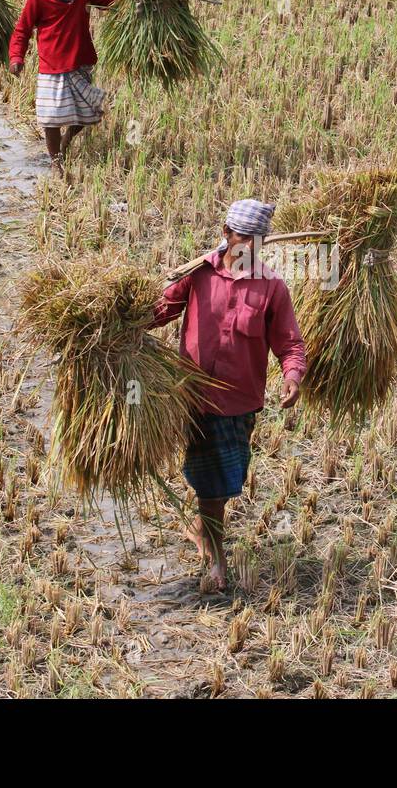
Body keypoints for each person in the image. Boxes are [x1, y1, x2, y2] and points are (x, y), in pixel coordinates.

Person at [150, 199, 307, 591]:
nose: (248, 249)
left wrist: (292, 376)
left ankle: (202, 528)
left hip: (240, 402)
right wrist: (119, 322)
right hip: (195, 396)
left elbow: (289, 343)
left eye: (256, 242)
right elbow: (162, 310)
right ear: (226, 233)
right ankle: (218, 561)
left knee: (223, 480)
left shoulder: (271, 287)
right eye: (242, 239)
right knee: (212, 484)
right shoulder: (198, 273)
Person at [8, 0, 124, 176]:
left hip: (80, 60)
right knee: (50, 119)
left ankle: (67, 140)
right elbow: (23, 28)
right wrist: (16, 57)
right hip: (51, 64)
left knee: (88, 111)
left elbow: (109, 2)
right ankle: (56, 161)